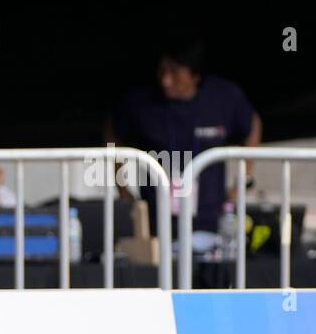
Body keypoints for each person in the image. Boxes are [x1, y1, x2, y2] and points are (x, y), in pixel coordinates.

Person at [108, 38, 262, 235]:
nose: (166, 80)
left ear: (195, 75)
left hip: (211, 221)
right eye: (162, 71)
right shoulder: (141, 101)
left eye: (174, 72)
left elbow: (253, 124)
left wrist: (243, 179)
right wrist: (122, 188)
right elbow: (112, 131)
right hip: (157, 223)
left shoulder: (224, 96)